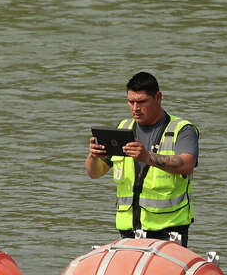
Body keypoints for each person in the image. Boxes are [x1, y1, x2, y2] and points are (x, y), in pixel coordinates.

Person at [85, 72, 198, 247]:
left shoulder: (182, 130)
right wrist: (93, 156)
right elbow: (95, 173)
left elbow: (187, 164)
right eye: (131, 102)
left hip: (169, 232)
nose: (135, 108)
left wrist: (147, 157)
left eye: (142, 102)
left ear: (158, 98)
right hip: (128, 231)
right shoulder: (123, 128)